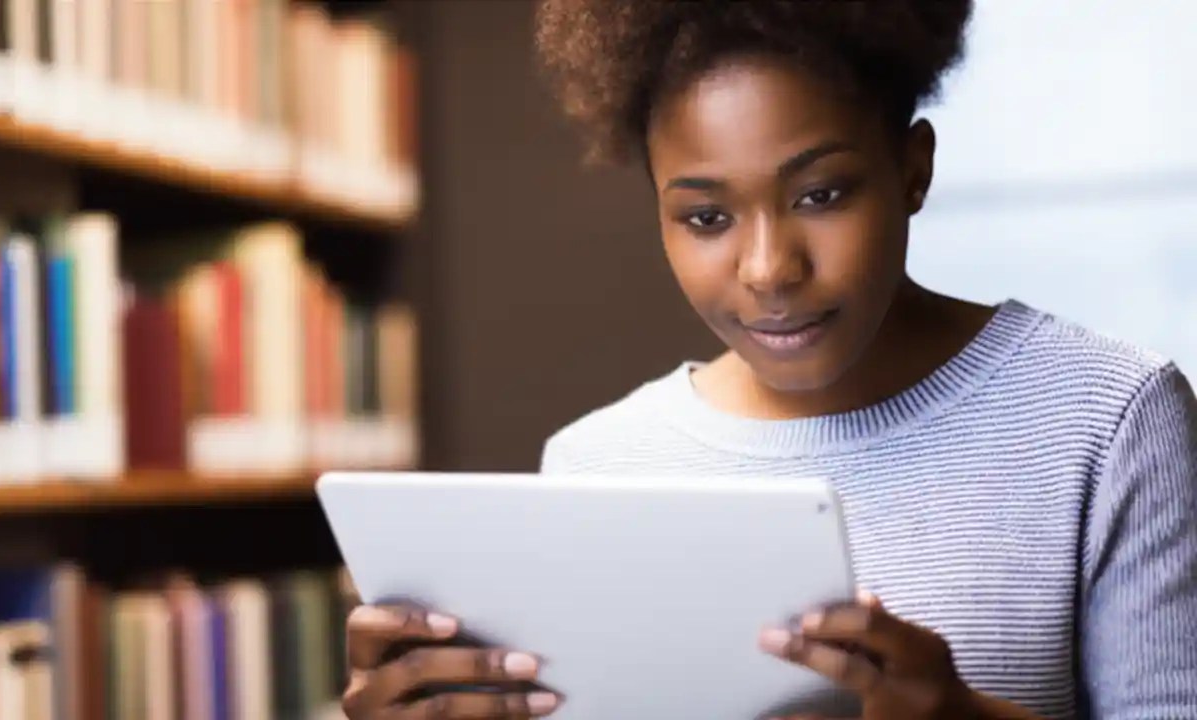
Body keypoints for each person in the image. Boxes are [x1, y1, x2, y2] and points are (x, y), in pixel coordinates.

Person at [340, 1, 1197, 718]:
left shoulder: (1108, 417)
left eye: (820, 195)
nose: (767, 269)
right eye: (706, 217)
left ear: (913, 169)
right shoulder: (594, 467)